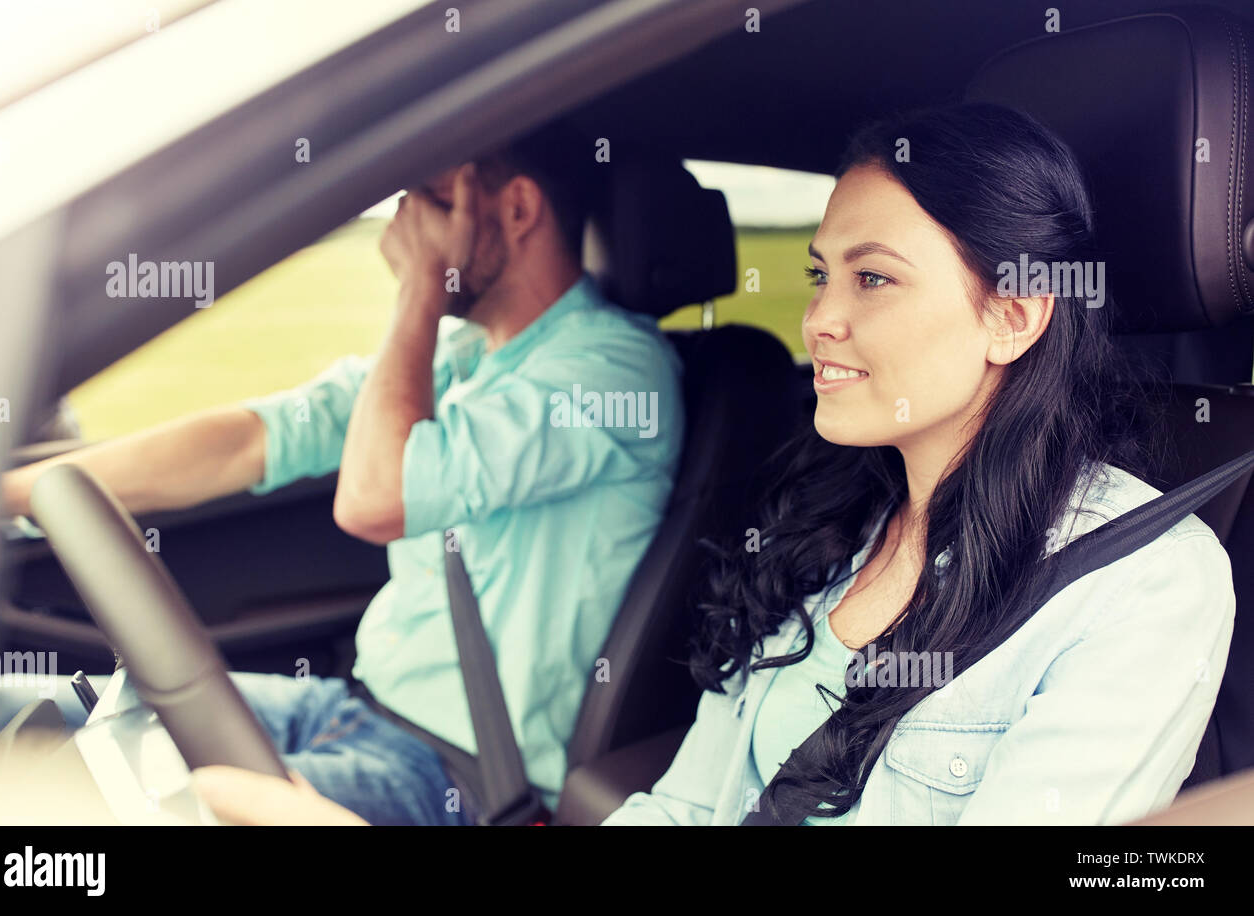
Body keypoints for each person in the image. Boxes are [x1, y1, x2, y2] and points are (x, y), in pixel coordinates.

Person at [185, 102, 1234, 826]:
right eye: (822, 274)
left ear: (1010, 314)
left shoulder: (1142, 585)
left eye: (874, 279)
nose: (818, 318)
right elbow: (683, 810)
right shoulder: (831, 538)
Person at [0, 125, 686, 826]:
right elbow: (254, 439)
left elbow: (376, 498)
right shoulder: (467, 357)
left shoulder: (617, 373)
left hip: (462, 777)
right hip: (355, 708)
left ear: (519, 209)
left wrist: (419, 289)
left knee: (86, 811)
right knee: (9, 711)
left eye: (430, 198)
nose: (402, 224)